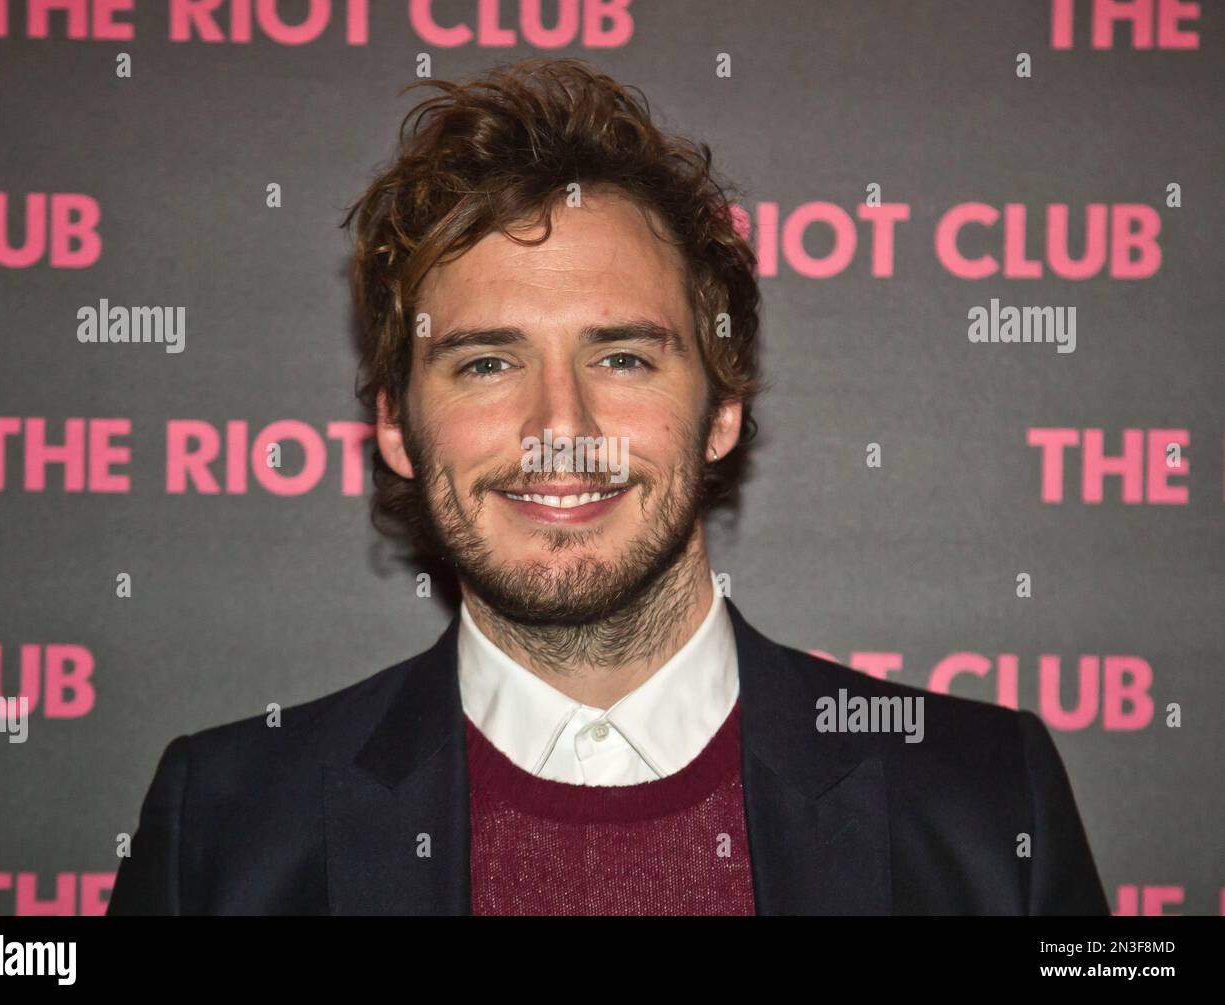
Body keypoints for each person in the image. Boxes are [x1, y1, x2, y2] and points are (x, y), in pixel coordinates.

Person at [107, 57, 1108, 916]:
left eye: (623, 358)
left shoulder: (984, 800)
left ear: (722, 406)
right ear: (396, 428)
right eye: (485, 363)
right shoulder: (227, 829)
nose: (561, 427)